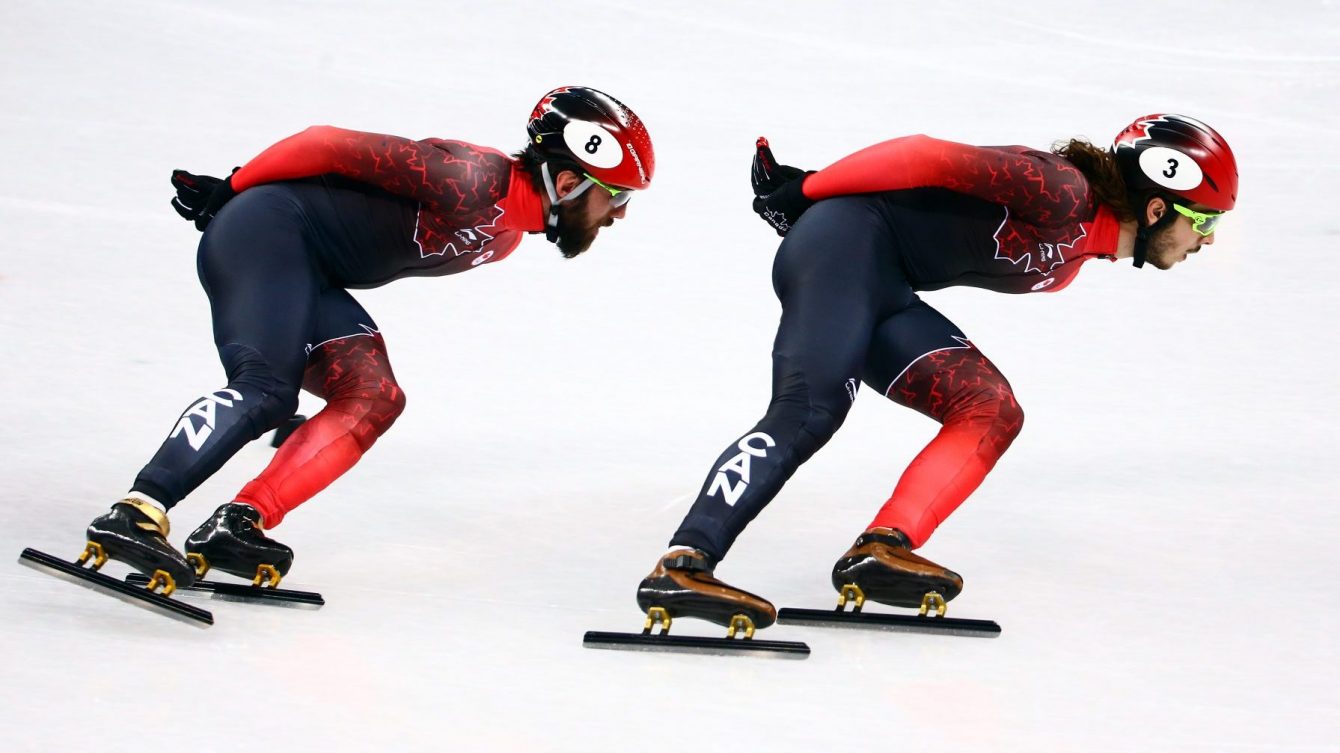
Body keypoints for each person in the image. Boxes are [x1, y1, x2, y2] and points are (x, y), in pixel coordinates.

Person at [636, 114, 1237, 631]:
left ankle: (883, 547)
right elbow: (925, 156)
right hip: (841, 245)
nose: (1206, 241)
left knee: (992, 410)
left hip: (884, 285)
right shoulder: (1062, 191)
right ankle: (684, 562)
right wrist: (806, 191)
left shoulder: (1076, 256)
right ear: (1158, 206)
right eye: (1204, 222)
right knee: (809, 411)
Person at [79, 86, 654, 594]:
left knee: (375, 398)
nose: (620, 216)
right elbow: (325, 143)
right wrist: (229, 189)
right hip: (264, 232)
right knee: (267, 388)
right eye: (619, 197)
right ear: (572, 181)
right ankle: (137, 509)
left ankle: (240, 522)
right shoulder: (470, 178)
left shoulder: (504, 238)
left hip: (308, 272)